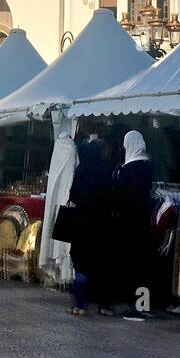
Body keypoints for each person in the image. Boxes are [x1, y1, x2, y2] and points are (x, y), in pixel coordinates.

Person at [66, 131, 112, 316]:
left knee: (81, 265)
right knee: (101, 265)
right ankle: (104, 305)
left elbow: (73, 195)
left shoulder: (82, 169)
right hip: (101, 223)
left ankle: (79, 305)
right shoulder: (107, 170)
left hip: (81, 223)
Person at [114, 130, 155, 321]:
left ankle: (132, 305)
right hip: (144, 222)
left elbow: (121, 198)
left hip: (128, 224)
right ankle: (144, 305)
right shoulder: (148, 166)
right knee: (144, 266)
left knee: (130, 265)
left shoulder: (126, 170)